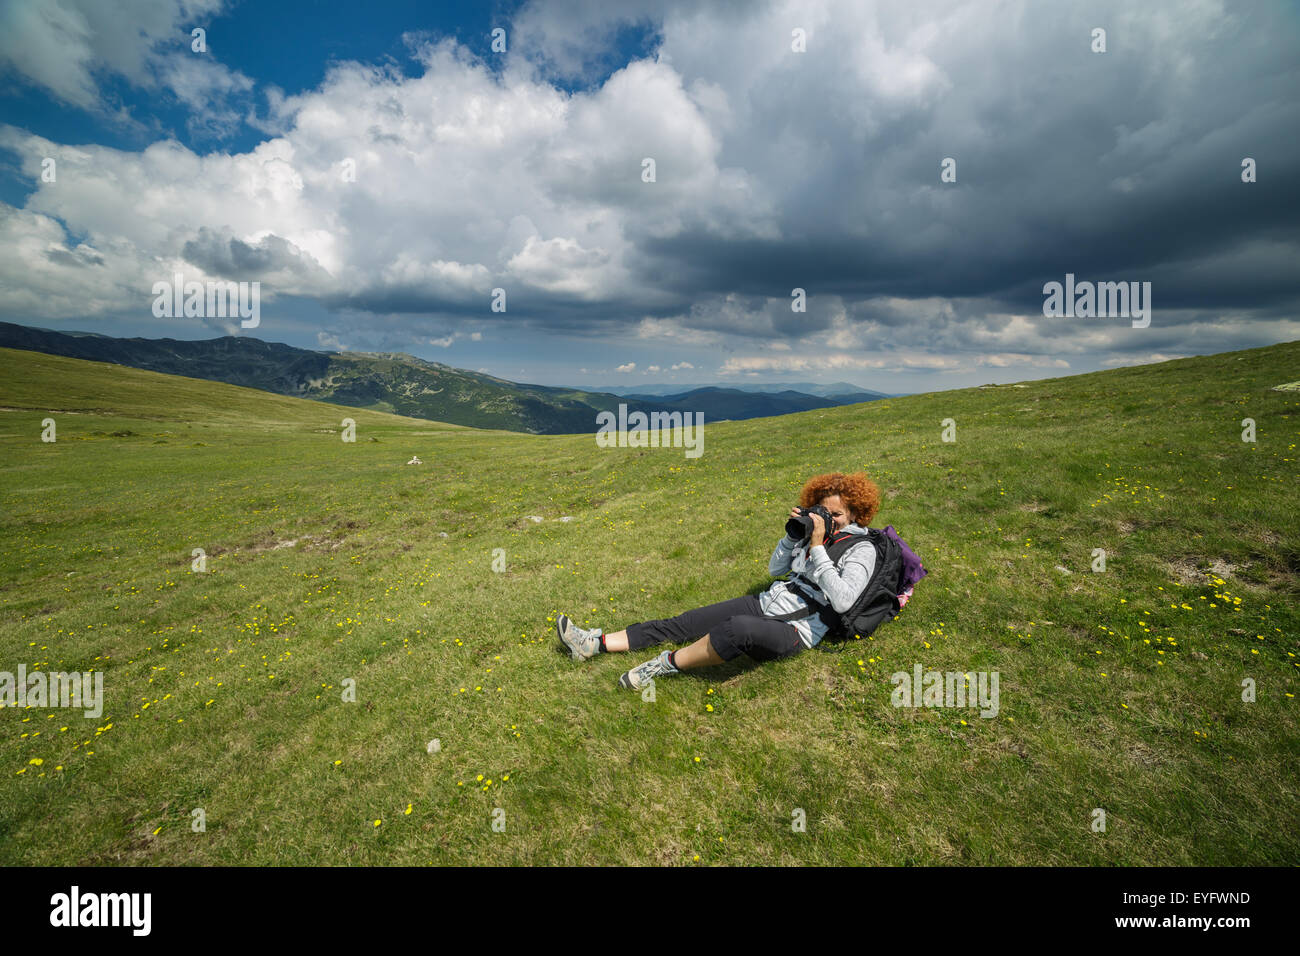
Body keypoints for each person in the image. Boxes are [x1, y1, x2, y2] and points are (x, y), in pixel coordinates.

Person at [556, 471, 882, 689]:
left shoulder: (862, 548)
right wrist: (794, 535)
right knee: (684, 622)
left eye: (837, 515)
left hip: (797, 630)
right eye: (824, 512)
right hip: (767, 601)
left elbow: (843, 600)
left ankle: (663, 665)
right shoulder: (817, 533)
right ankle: (593, 644)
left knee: (737, 629)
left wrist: (818, 548)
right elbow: (774, 571)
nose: (830, 520)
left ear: (856, 514)